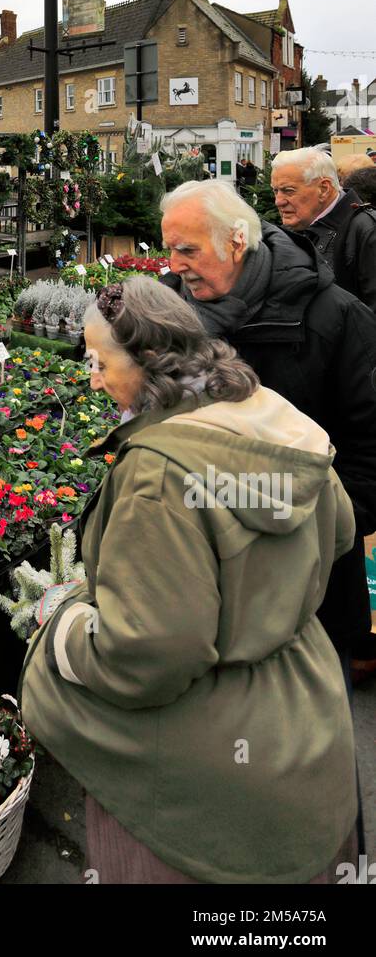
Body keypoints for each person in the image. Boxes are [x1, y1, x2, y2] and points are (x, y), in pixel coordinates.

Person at [19, 277, 357, 884]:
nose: (90, 377)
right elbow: (340, 529)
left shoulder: (158, 474)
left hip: (207, 774)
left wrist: (64, 623)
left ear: (149, 361)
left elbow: (149, 653)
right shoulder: (262, 418)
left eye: (99, 361)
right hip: (309, 725)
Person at [157, 179, 376, 664]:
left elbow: (370, 449)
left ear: (236, 241)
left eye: (187, 249)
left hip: (311, 580)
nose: (174, 265)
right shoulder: (171, 314)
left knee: (304, 724)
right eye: (169, 249)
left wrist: (316, 530)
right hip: (206, 578)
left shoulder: (333, 317)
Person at [271, 147, 376, 313]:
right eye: (275, 191)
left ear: (324, 189)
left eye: (288, 191)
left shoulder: (366, 229)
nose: (278, 201)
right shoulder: (292, 230)